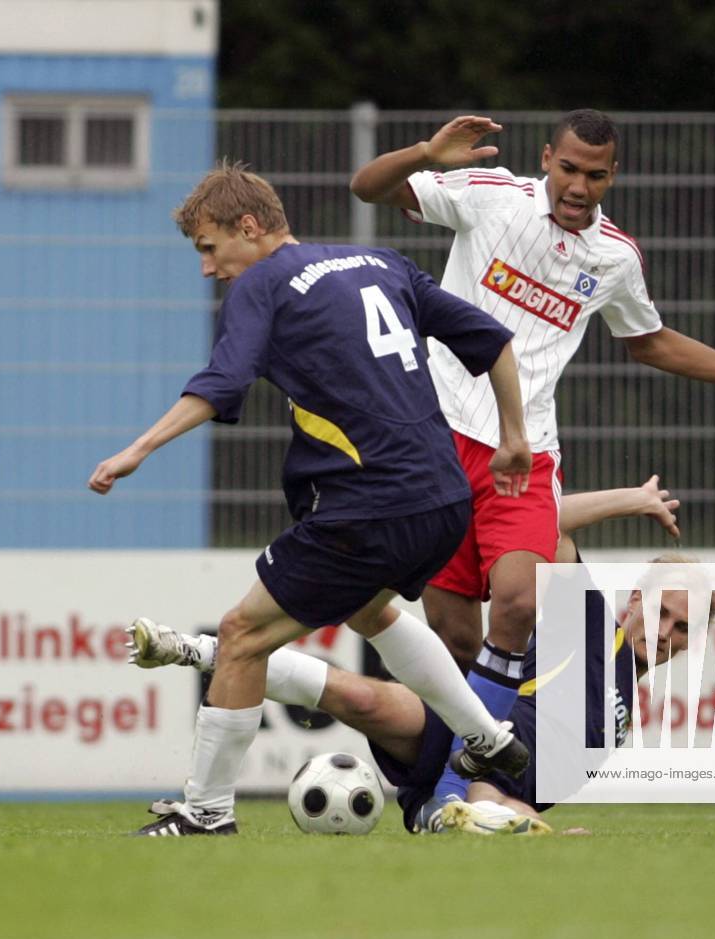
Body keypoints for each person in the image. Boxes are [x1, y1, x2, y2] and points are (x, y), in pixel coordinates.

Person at [349, 109, 715, 805]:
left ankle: (447, 796)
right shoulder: (490, 194)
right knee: (455, 636)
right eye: (568, 169)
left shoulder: (614, 257)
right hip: (438, 439)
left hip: (525, 454)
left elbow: (650, 340)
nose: (578, 186)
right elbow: (368, 187)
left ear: (613, 175)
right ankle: (436, 786)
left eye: (595, 175)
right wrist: (425, 152)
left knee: (521, 602)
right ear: (547, 158)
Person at [87, 161, 536, 836]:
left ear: (249, 226)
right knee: (368, 607)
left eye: (210, 249)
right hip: (443, 497)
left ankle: (206, 813)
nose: (209, 269)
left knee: (241, 635)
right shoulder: (379, 261)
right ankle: (489, 736)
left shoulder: (263, 284)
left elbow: (220, 386)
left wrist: (137, 450)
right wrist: (513, 437)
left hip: (368, 506)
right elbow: (494, 340)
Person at [127, 479, 691, 836]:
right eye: (663, 612)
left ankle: (454, 817)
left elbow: (540, 778)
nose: (666, 632)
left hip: (492, 784)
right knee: (359, 693)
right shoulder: (593, 624)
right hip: (459, 731)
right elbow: (547, 522)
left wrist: (536, 824)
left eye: (682, 628)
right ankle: (199, 651)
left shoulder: (624, 713)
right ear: (636, 598)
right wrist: (633, 501)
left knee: (498, 823)